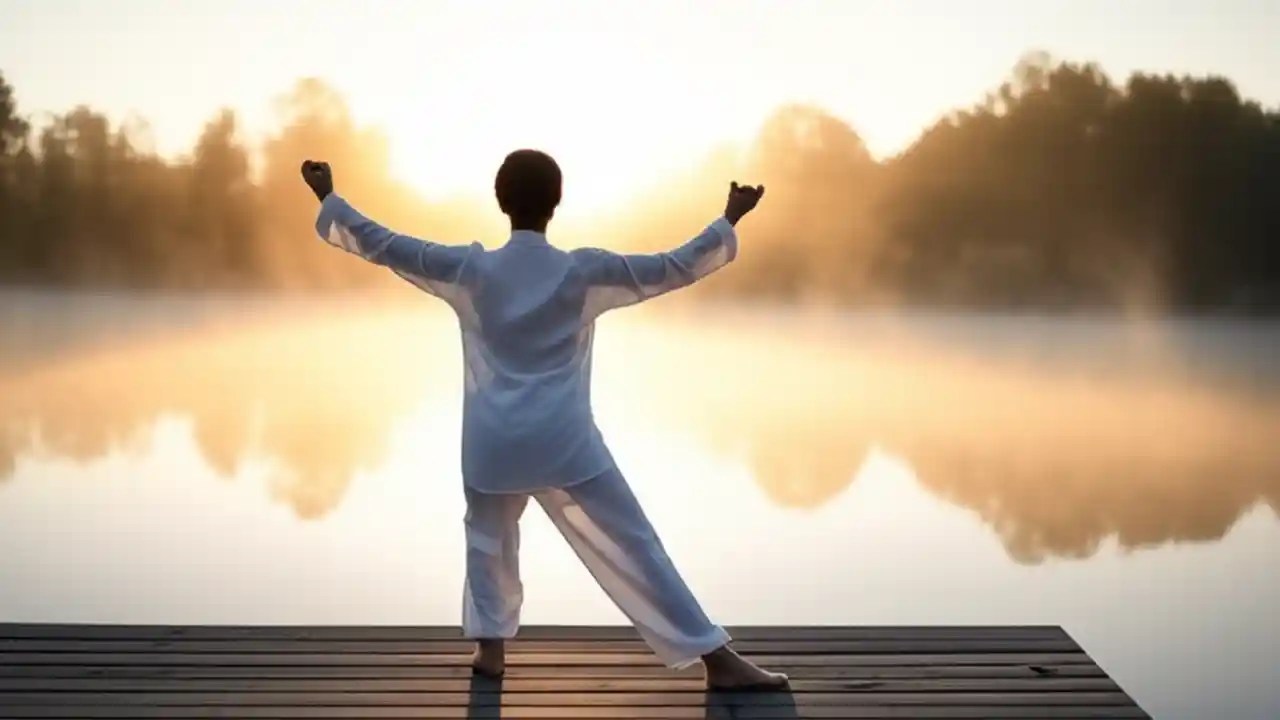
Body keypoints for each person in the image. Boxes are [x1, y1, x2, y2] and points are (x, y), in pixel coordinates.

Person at [300, 151, 786, 690]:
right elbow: (672, 266)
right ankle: (717, 662)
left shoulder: (473, 268)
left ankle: (490, 650)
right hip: (564, 443)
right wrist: (729, 219)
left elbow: (385, 243)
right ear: (556, 203)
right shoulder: (582, 270)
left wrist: (329, 198)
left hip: (492, 443)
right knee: (635, 546)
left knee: (488, 539)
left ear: (500, 201)